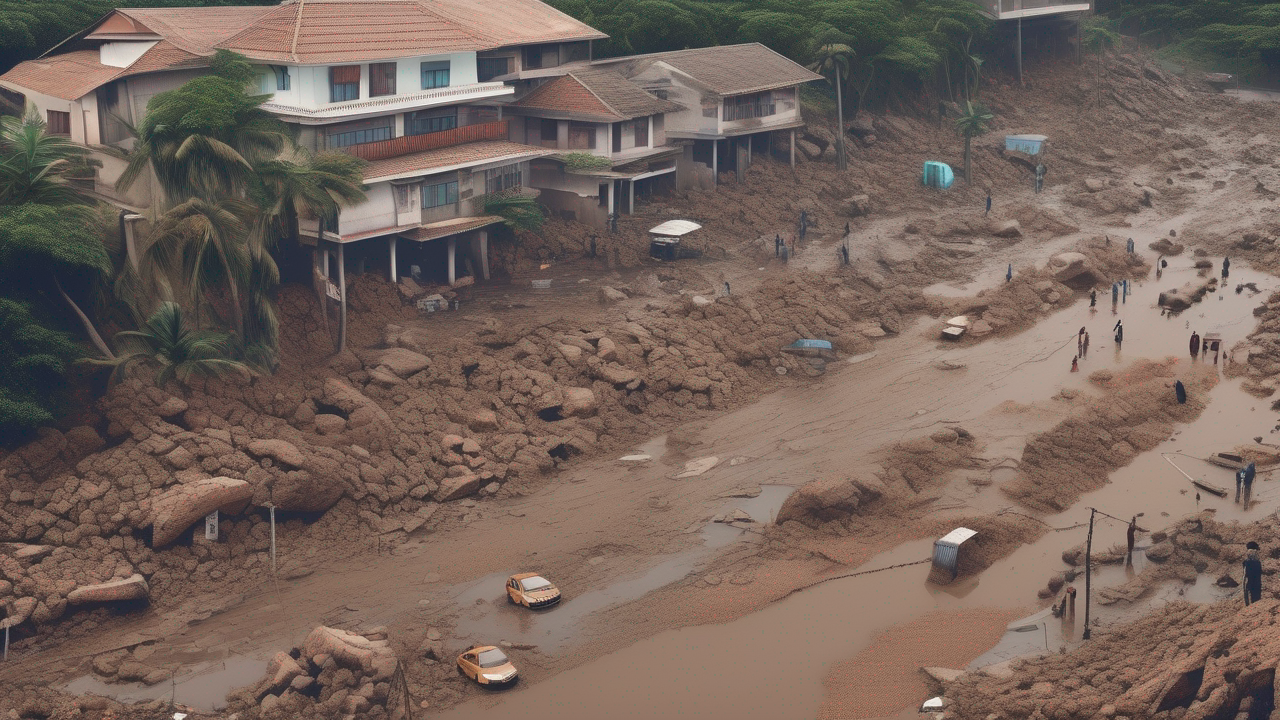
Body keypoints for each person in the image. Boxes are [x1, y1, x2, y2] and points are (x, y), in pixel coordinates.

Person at [1244, 541, 1263, 607]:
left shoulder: (1250, 555)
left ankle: (1252, 605)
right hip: (1255, 578)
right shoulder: (1255, 556)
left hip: (1251, 578)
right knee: (1255, 592)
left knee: (1252, 592)